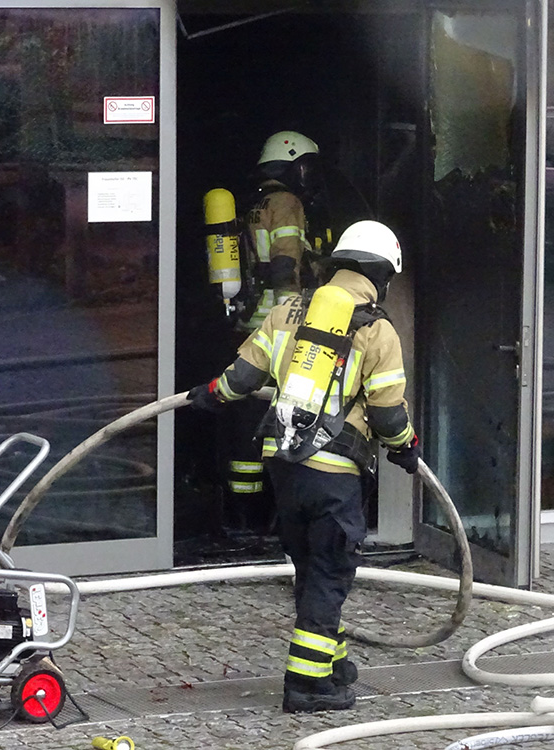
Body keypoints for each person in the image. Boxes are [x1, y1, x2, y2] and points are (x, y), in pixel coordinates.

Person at [189, 220, 422, 713]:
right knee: (330, 572)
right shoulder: (377, 329)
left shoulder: (285, 310)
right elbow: (387, 413)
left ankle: (331, 666)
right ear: (381, 275)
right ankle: (307, 685)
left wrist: (208, 397)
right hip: (335, 476)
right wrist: (405, 446)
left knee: (311, 568)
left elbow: (242, 378)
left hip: (284, 468)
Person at [215, 130, 331, 533]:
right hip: (277, 323)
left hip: (249, 321)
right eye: (307, 165)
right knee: (286, 415)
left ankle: (242, 515)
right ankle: (275, 513)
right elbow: (285, 263)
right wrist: (293, 314)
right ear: (291, 164)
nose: (310, 175)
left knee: (248, 416)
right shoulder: (286, 202)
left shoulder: (254, 203)